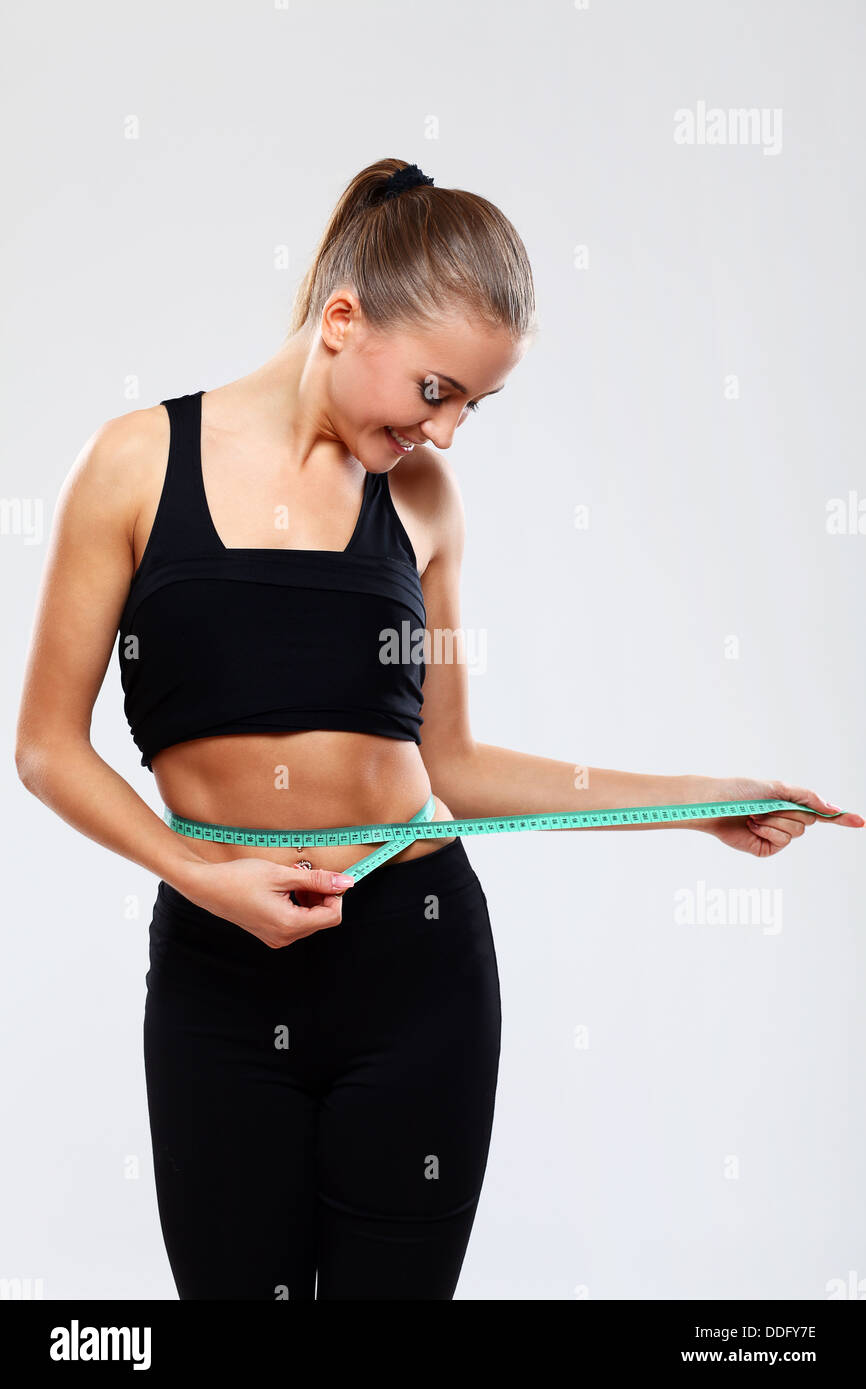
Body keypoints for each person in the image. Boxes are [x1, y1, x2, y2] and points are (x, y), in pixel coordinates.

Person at [15, 159, 862, 1301]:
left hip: (416, 968)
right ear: (342, 319)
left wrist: (703, 800)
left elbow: (452, 765)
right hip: (220, 978)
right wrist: (199, 876)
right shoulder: (132, 464)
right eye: (434, 390)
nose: (449, 432)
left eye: (472, 405)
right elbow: (46, 747)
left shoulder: (420, 503)